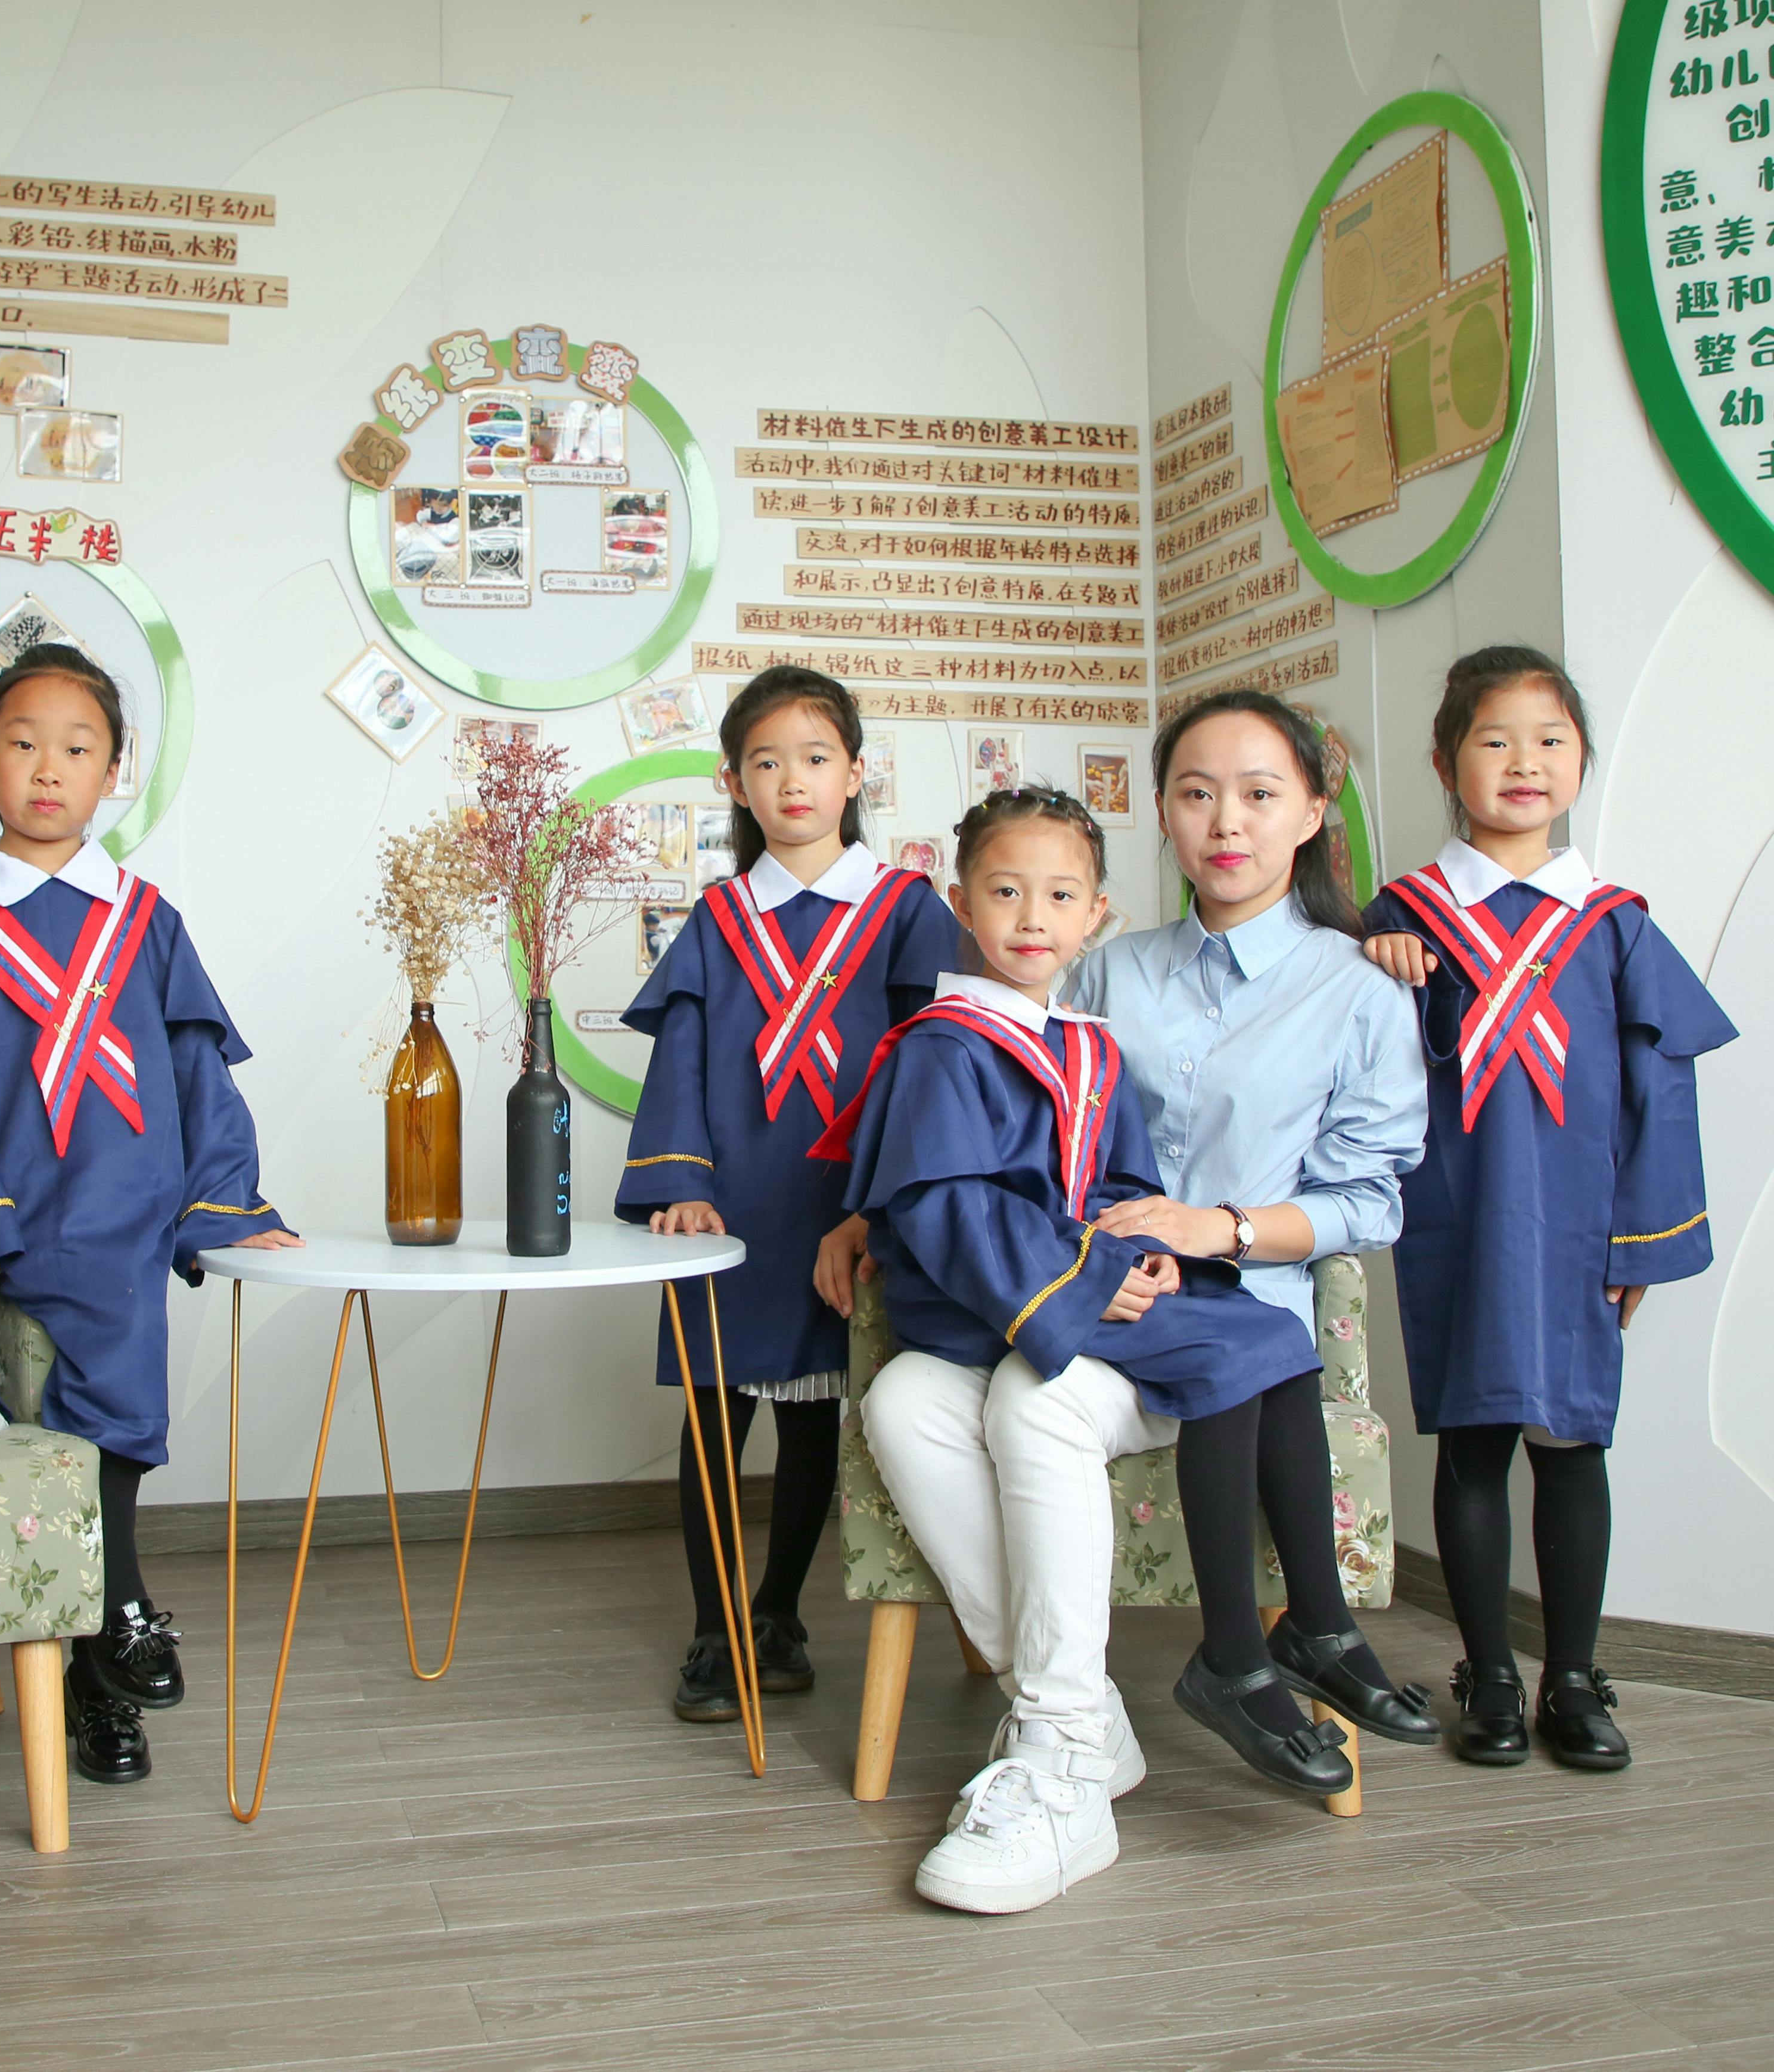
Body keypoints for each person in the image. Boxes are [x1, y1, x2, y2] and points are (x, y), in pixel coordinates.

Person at [834, 785, 1330, 1913]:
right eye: (1005, 891)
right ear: (962, 902)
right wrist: (1089, 1279)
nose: (1031, 917)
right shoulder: (942, 1048)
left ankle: (1059, 1760)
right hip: (1025, 1316)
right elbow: (949, 1209)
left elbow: (1125, 1189)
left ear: (1097, 914)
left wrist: (1141, 1256)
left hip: (1084, 1342)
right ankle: (1079, 1715)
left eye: (1060, 896)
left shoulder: (1092, 1051)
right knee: (904, 1398)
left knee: (1029, 1401)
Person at [0, 644, 300, 1787]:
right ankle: (114, 1627)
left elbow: (196, 1069)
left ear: (114, 771)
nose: (49, 768)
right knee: (60, 1394)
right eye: (22, 743)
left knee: (111, 1358)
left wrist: (226, 1203)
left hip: (122, 1210)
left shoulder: (144, 921)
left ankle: (99, 1660)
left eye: (78, 748)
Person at [1360, 647, 1735, 1770]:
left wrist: (1644, 1240)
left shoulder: (1613, 922)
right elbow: (1352, 1062)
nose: (1525, 762)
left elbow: (1663, 1088)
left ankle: (1572, 1675)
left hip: (1579, 1227)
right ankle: (1489, 1673)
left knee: (1572, 1443)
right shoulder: (1405, 917)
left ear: (1580, 762)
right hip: (1460, 1219)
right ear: (1445, 763)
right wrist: (1375, 968)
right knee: (1474, 1442)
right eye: (1495, 740)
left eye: (1551, 740)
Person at [1060, 690, 1436, 1795]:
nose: (1227, 820)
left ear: (1312, 813)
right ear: (1164, 815)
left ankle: (1289, 1637)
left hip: (1253, 1293)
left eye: (1260, 794)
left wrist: (1221, 1229)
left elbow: (1368, 1201)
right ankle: (1292, 1634)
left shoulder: (1358, 988)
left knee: (1257, 1329)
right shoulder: (1106, 972)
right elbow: (1043, 1129)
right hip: (1117, 1290)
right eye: (1197, 793)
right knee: (1252, 1343)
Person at [615, 665, 952, 1722]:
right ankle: (714, 1629)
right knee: (714, 1415)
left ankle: (778, 1614)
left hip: (845, 1207)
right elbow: (680, 1059)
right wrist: (680, 1183)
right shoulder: (718, 919)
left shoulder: (906, 910)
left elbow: (933, 1063)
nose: (792, 781)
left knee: (815, 1417)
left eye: (815, 758)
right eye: (766, 763)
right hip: (728, 1210)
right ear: (735, 782)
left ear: (856, 774)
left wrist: (879, 1206)